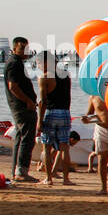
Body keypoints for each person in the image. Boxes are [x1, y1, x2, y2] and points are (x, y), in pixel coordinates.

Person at [4, 36, 39, 183]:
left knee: (20, 137)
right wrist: (28, 101)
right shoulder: (14, 64)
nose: (25, 51)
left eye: (27, 48)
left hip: (19, 106)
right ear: (14, 49)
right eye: (22, 48)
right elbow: (13, 86)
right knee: (27, 138)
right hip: (22, 107)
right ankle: (21, 172)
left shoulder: (16, 63)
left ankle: (17, 170)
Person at [36, 51, 74, 185]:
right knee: (64, 147)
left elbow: (43, 102)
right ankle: (66, 179)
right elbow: (67, 96)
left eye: (39, 63)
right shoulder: (65, 75)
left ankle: (48, 178)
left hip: (51, 112)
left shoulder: (45, 77)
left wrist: (39, 121)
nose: (38, 66)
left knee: (46, 147)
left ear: (47, 62)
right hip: (64, 112)